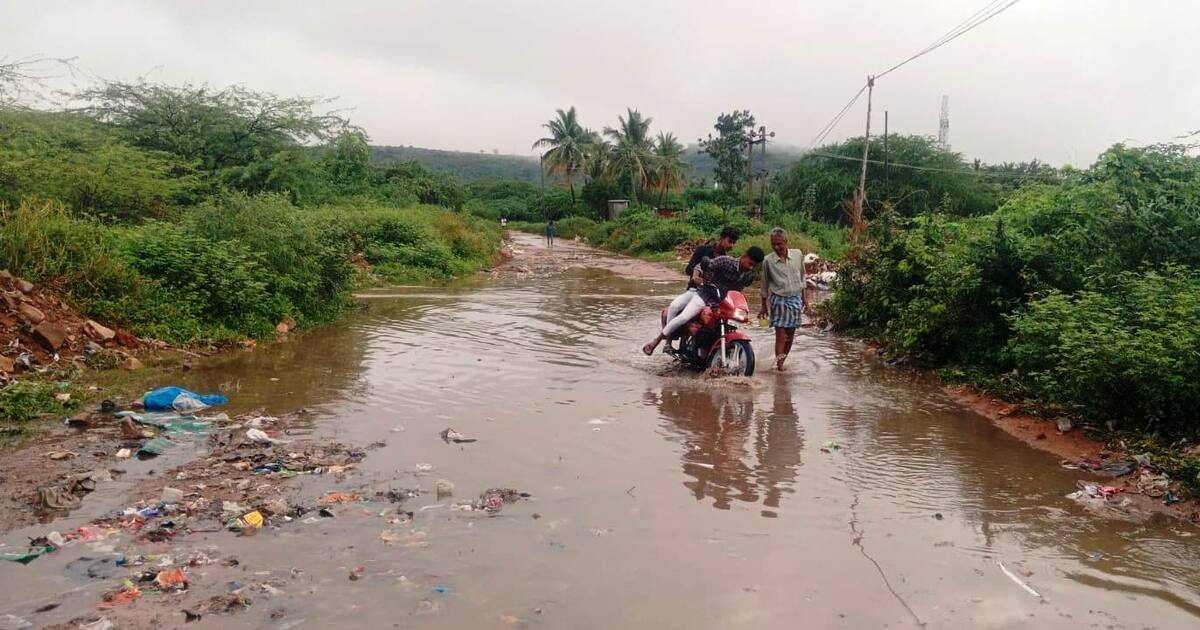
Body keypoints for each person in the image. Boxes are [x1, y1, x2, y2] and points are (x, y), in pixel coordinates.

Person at [644, 247, 765, 355]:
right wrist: (708, 283)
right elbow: (707, 271)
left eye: (753, 266)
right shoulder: (724, 261)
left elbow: (737, 292)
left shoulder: (746, 274)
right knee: (684, 317)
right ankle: (656, 341)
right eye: (750, 263)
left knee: (726, 325)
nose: (750, 267)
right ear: (744, 257)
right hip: (704, 296)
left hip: (720, 302)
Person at [662, 227, 741, 343]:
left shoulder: (727, 260)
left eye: (734, 243)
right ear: (722, 238)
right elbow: (689, 269)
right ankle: (668, 341)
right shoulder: (702, 251)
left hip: (713, 295)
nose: (731, 245)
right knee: (674, 306)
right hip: (695, 291)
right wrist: (699, 276)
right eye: (730, 241)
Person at [757, 227, 806, 371]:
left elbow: (802, 276)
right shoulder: (768, 261)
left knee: (790, 335)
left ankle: (782, 362)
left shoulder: (797, 255)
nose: (776, 247)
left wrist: (804, 297)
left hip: (795, 298)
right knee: (781, 335)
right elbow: (764, 285)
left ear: (786, 242)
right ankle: (779, 367)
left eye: (779, 244)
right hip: (778, 300)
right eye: (773, 244)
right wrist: (764, 306)